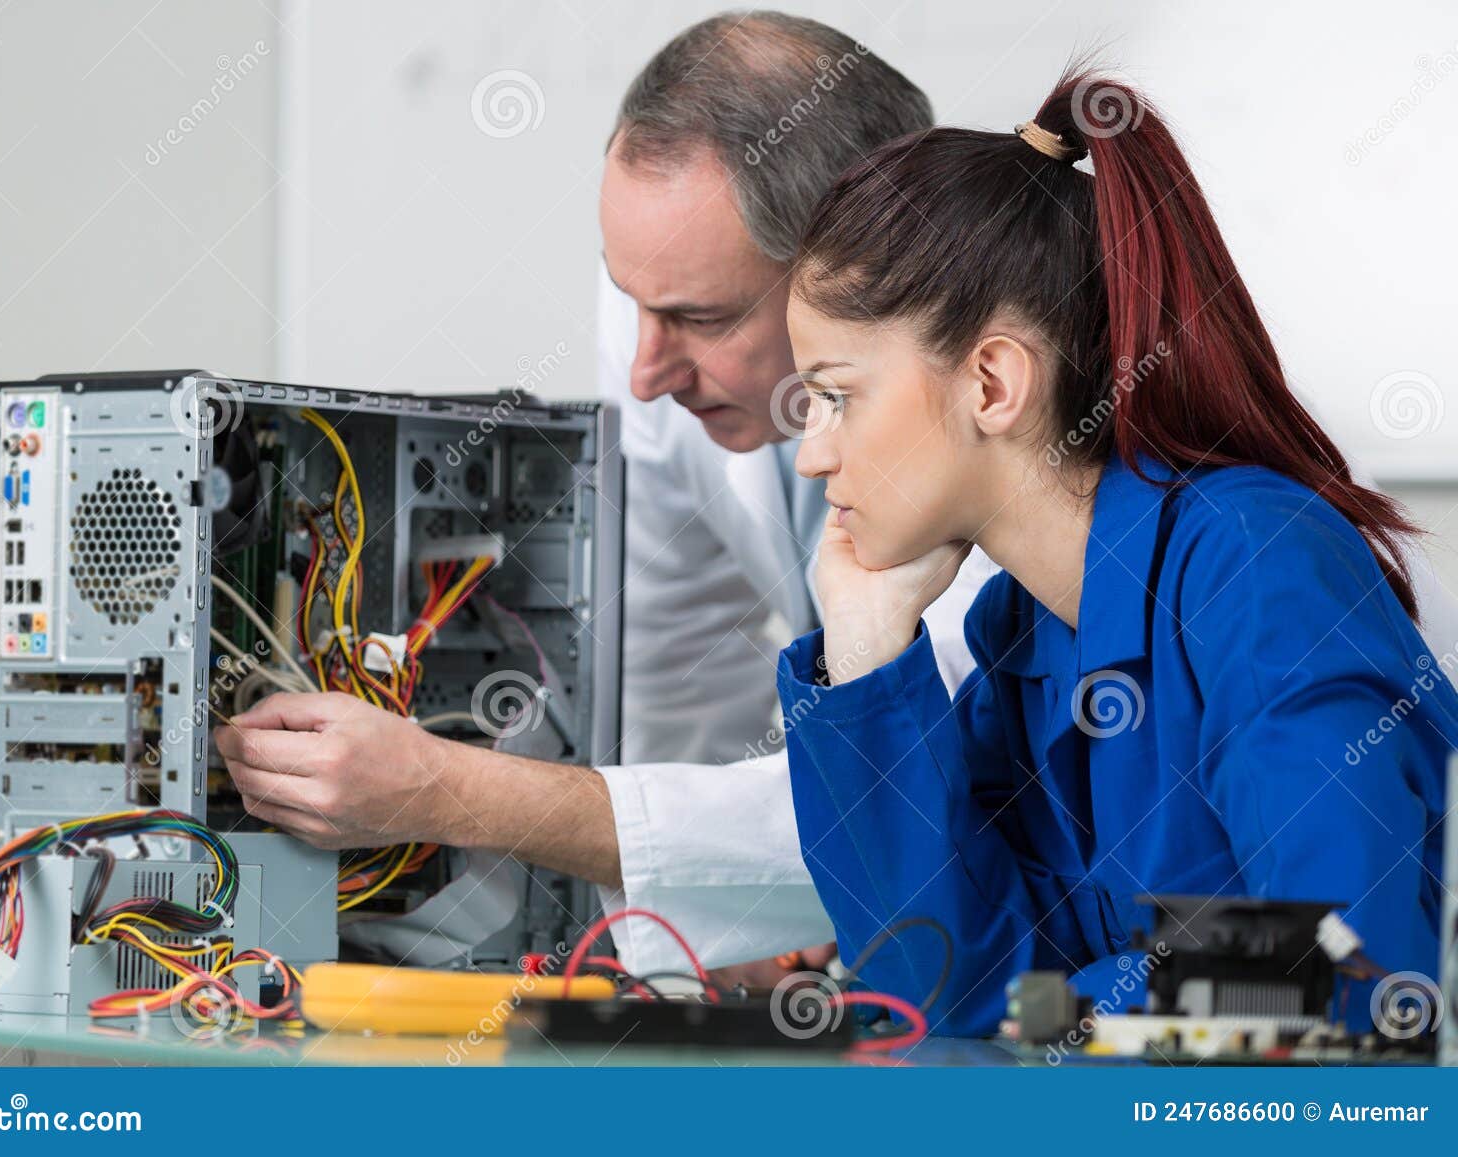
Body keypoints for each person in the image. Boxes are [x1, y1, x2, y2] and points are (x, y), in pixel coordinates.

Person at [214, 13, 998, 976]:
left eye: (696, 318)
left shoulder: (998, 434)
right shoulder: (674, 304)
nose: (643, 371)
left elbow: (917, 782)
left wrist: (445, 787)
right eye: (631, 300)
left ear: (858, 269)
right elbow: (671, 702)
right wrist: (693, 945)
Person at [774, 68, 1458, 1035]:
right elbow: (935, 993)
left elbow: (1341, 977)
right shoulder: (1024, 628)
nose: (813, 454)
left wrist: (1046, 1018)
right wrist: (866, 649)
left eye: (836, 395)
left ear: (992, 383)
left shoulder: (1261, 569)